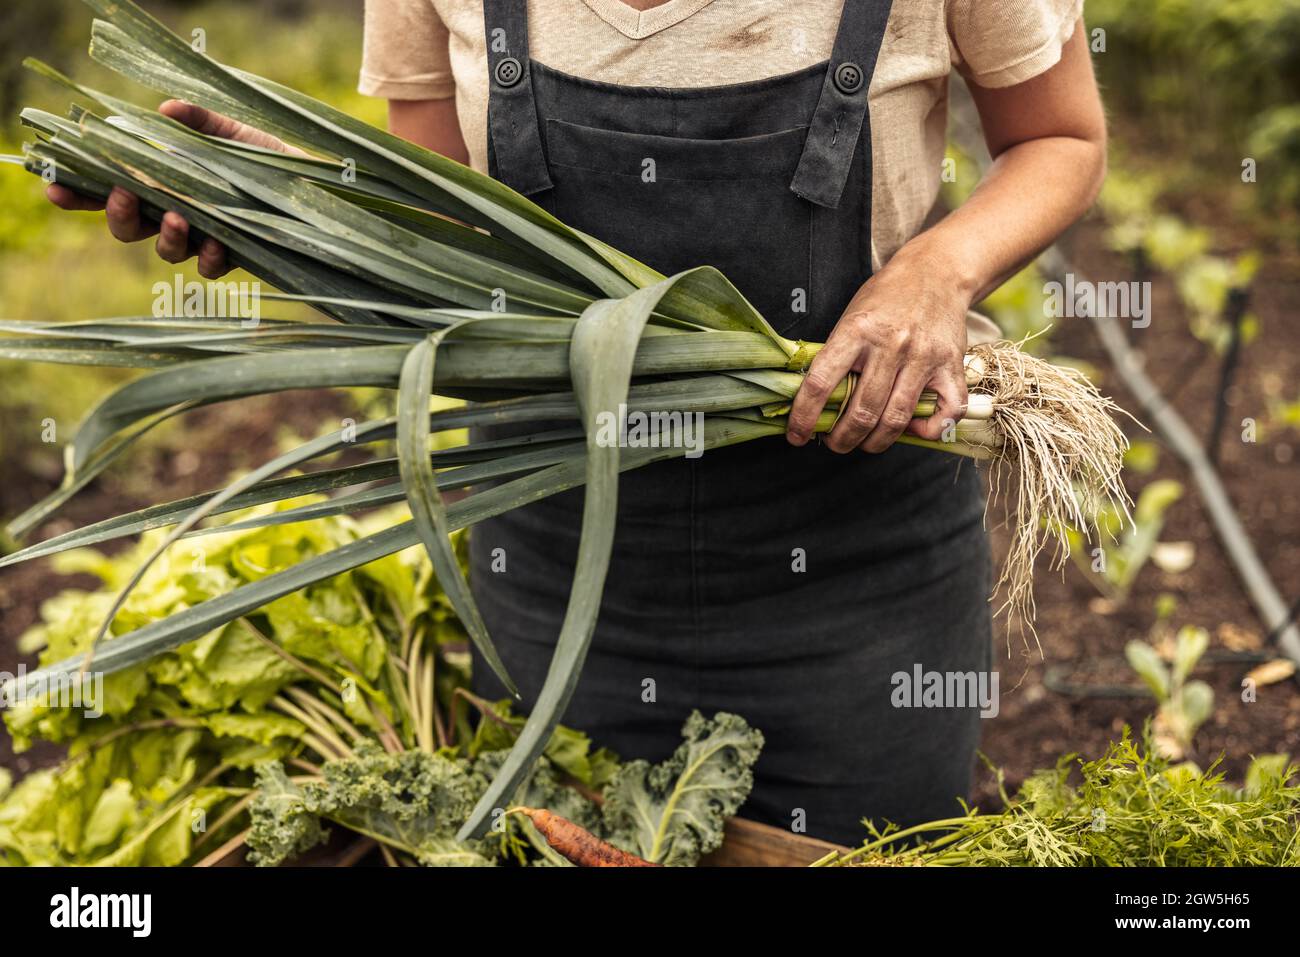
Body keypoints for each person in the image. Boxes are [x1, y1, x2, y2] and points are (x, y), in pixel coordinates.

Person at [47, 0, 1105, 845]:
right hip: (560, 569)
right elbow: (451, 230)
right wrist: (292, 211)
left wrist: (935, 271)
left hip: (858, 581)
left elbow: (1060, 137)